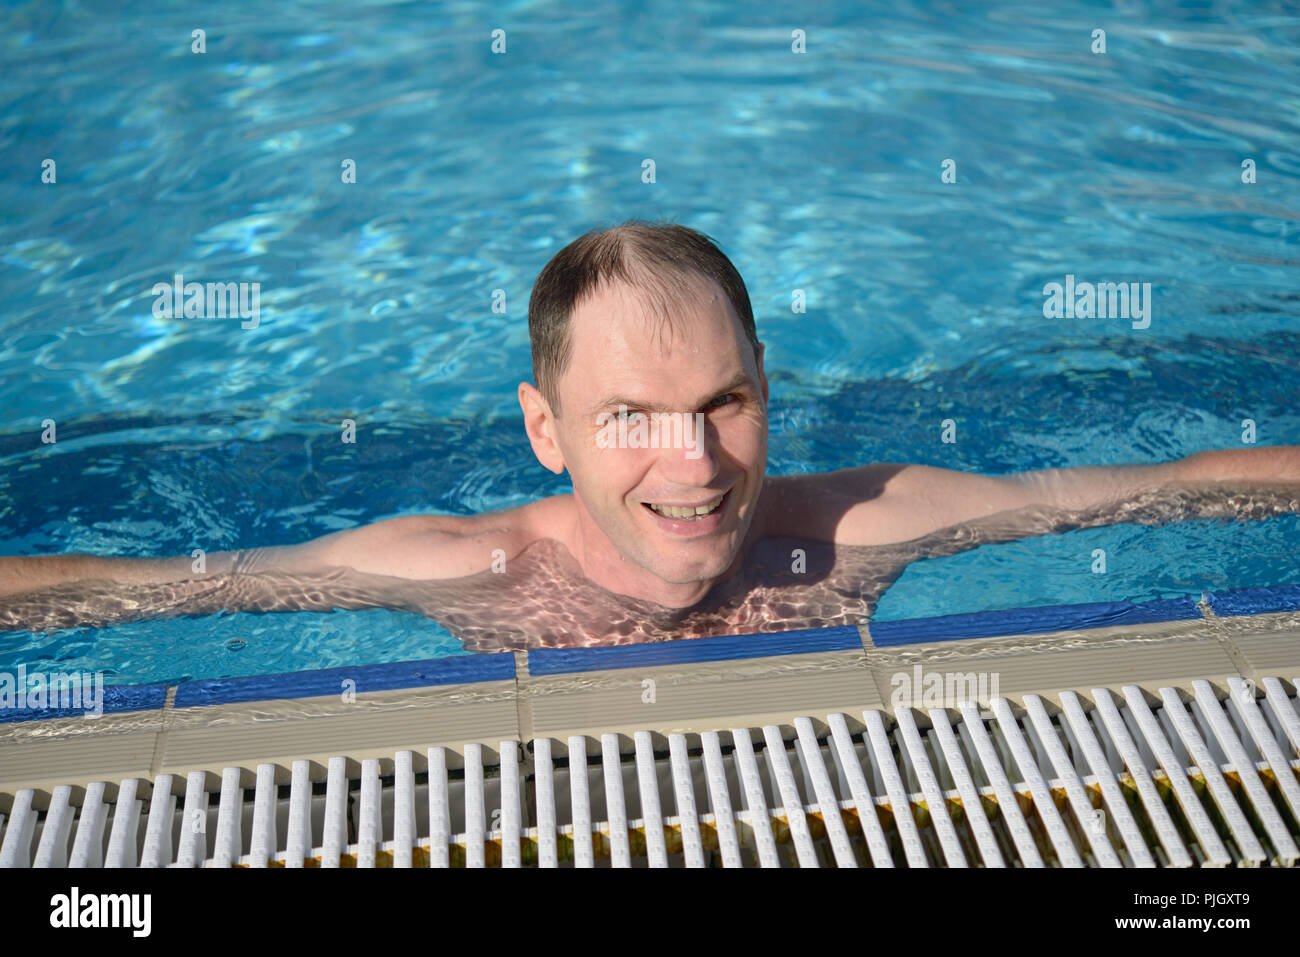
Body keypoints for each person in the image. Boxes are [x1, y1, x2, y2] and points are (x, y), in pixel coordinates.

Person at [2, 221, 1297, 651]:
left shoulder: (855, 526)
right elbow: (140, 590)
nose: (695, 461)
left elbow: (1164, 488)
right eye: (630, 414)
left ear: (767, 392)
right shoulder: (465, 567)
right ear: (545, 431)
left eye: (724, 402)